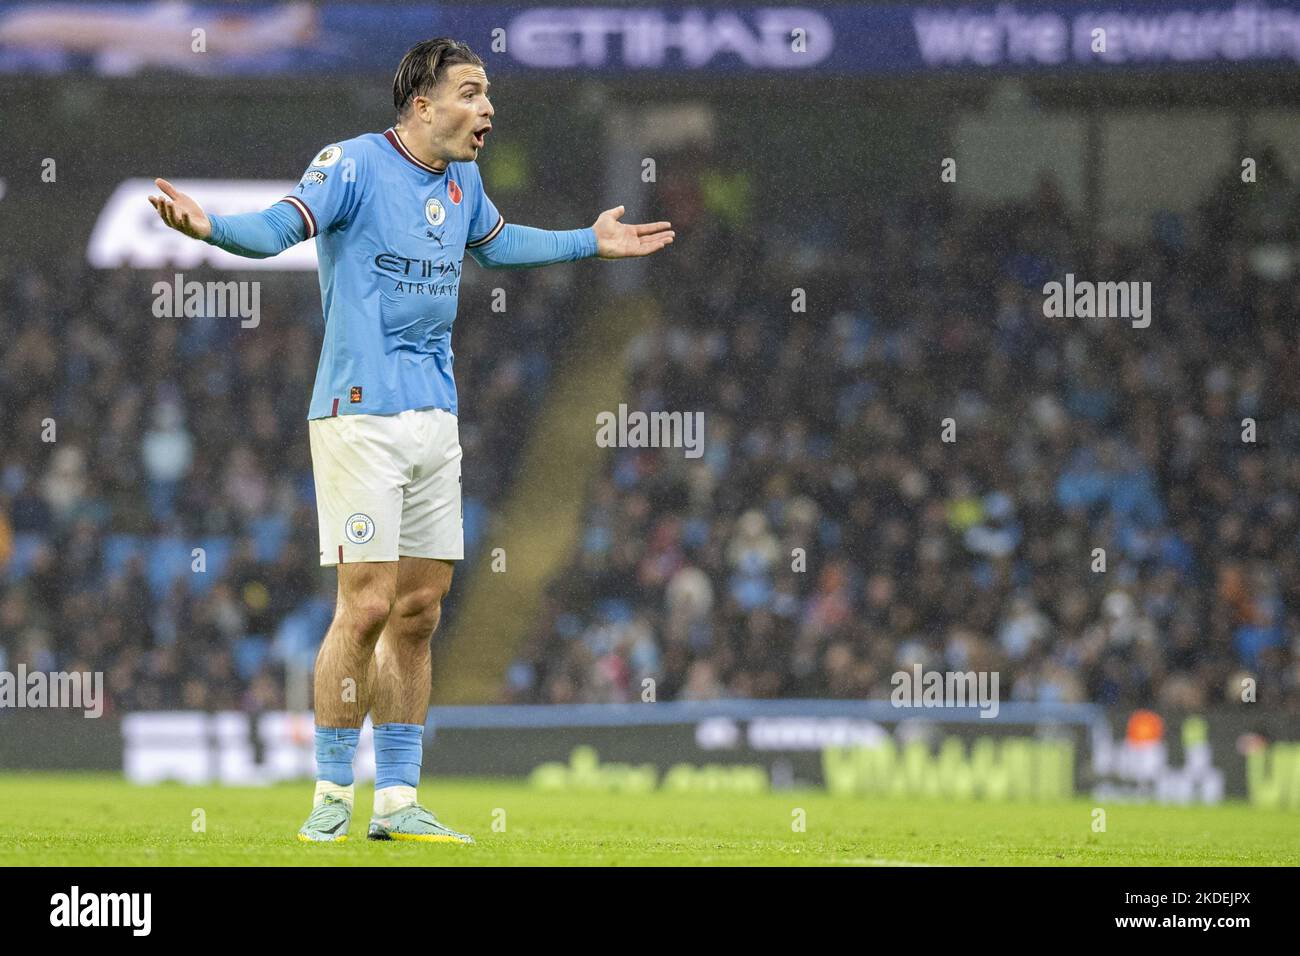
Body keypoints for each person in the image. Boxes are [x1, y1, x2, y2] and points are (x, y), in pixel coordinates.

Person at [148, 37, 674, 844]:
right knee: (363, 607)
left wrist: (586, 241)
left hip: (436, 415)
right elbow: (277, 229)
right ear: (422, 105)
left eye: (489, 93)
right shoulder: (352, 164)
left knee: (420, 611)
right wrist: (210, 227)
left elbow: (497, 245)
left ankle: (397, 800)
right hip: (360, 413)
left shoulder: (462, 179)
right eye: (471, 92)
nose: (487, 108)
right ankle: (330, 792)